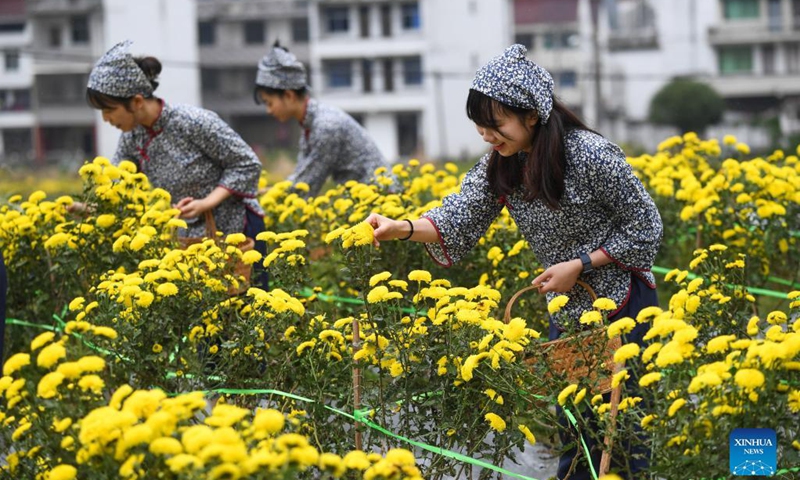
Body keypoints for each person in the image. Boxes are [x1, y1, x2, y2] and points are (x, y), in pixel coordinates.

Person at [366, 44, 662, 479]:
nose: (488, 136)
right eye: (481, 127)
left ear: (531, 115)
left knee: (626, 429)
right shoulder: (501, 165)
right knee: (576, 428)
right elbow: (457, 216)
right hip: (569, 307)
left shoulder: (590, 155)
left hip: (624, 301)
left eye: (496, 124)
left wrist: (580, 264)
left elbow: (646, 225)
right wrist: (400, 227)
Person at [84, 40, 268, 289]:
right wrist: (89, 205)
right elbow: (119, 185)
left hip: (236, 230)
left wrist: (206, 203)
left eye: (109, 110)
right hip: (188, 241)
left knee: (247, 317)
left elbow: (246, 164)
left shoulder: (193, 122)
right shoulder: (132, 136)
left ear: (137, 102)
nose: (106, 119)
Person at [254, 42, 389, 197]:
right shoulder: (310, 124)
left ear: (289, 96)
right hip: (363, 199)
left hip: (381, 199)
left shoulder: (326, 127)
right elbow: (300, 177)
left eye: (269, 103)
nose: (268, 110)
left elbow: (305, 187)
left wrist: (262, 196)